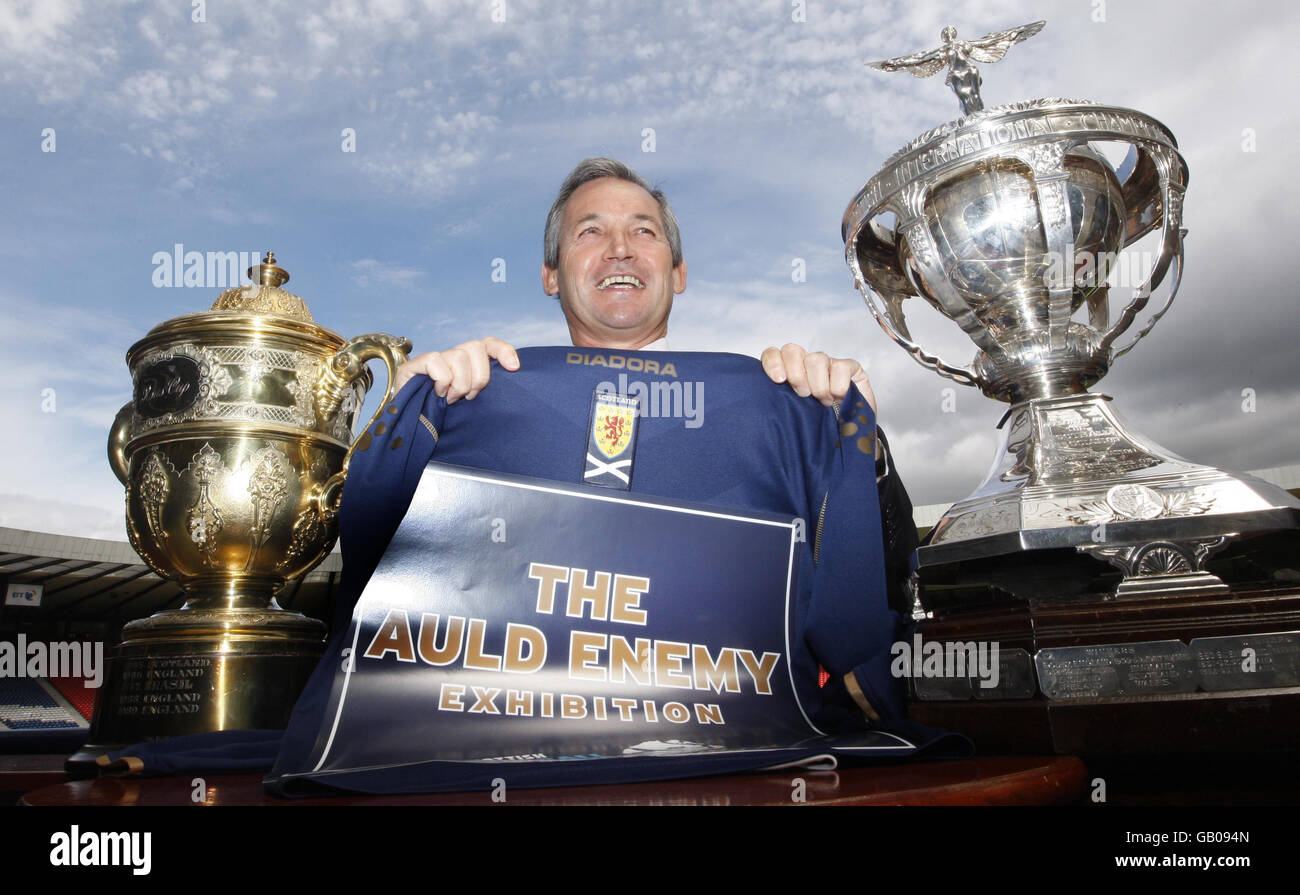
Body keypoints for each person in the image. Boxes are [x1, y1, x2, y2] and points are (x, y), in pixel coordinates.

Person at [387, 157, 919, 721]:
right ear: (550, 275)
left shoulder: (780, 407)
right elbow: (389, 593)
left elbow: (874, 602)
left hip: (735, 768)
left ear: (679, 271)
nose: (620, 247)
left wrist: (857, 452)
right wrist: (404, 430)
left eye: (644, 230)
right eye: (590, 231)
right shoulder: (470, 403)